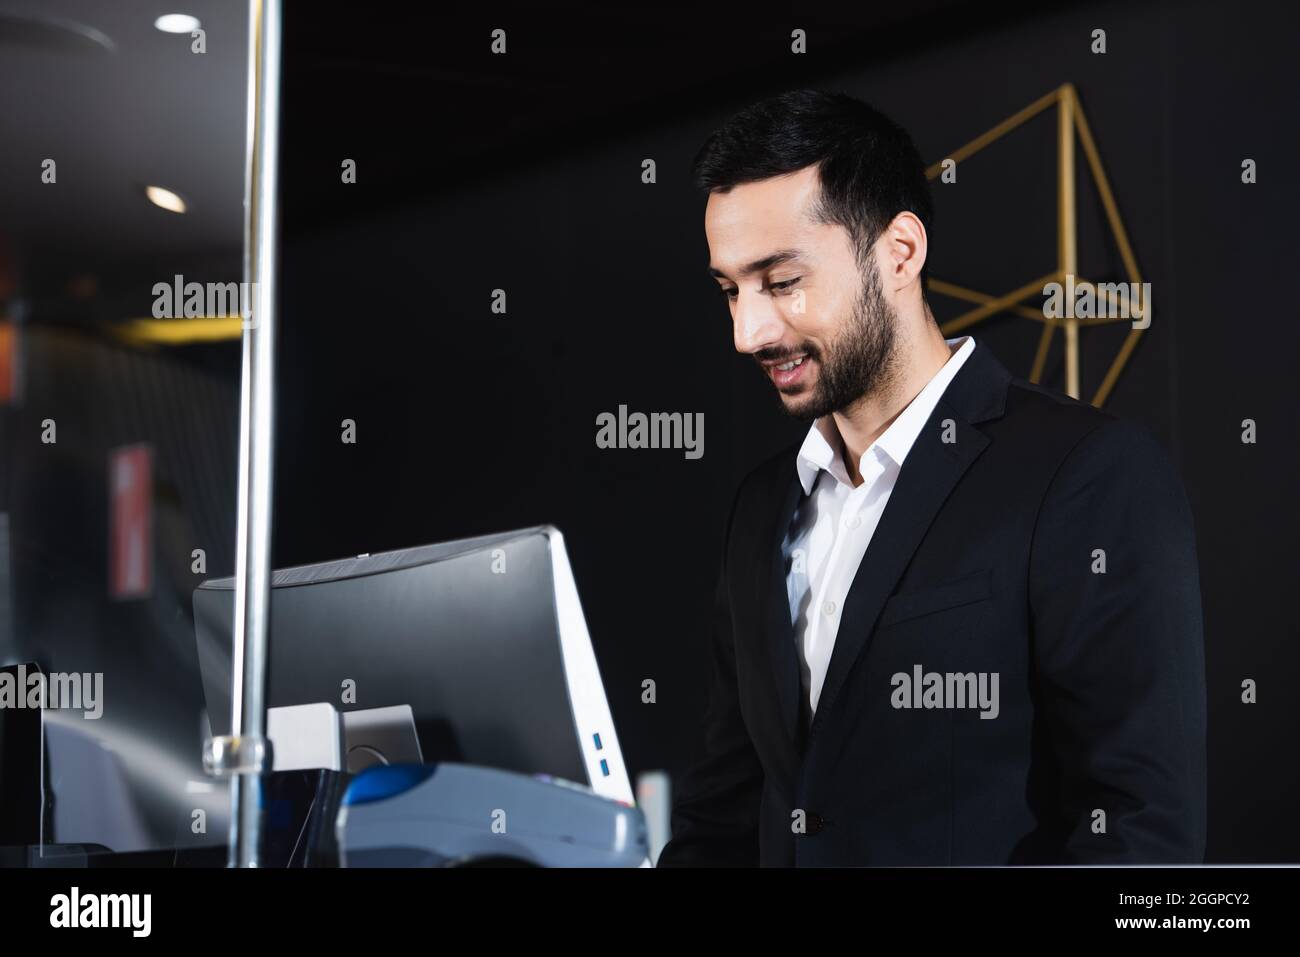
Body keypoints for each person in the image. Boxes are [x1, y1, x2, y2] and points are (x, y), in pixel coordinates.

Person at [657, 89, 1206, 866]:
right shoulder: (760, 508)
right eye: (729, 290)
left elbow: (1139, 832)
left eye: (781, 282)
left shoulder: (1086, 474)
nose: (749, 331)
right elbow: (722, 819)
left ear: (900, 253)